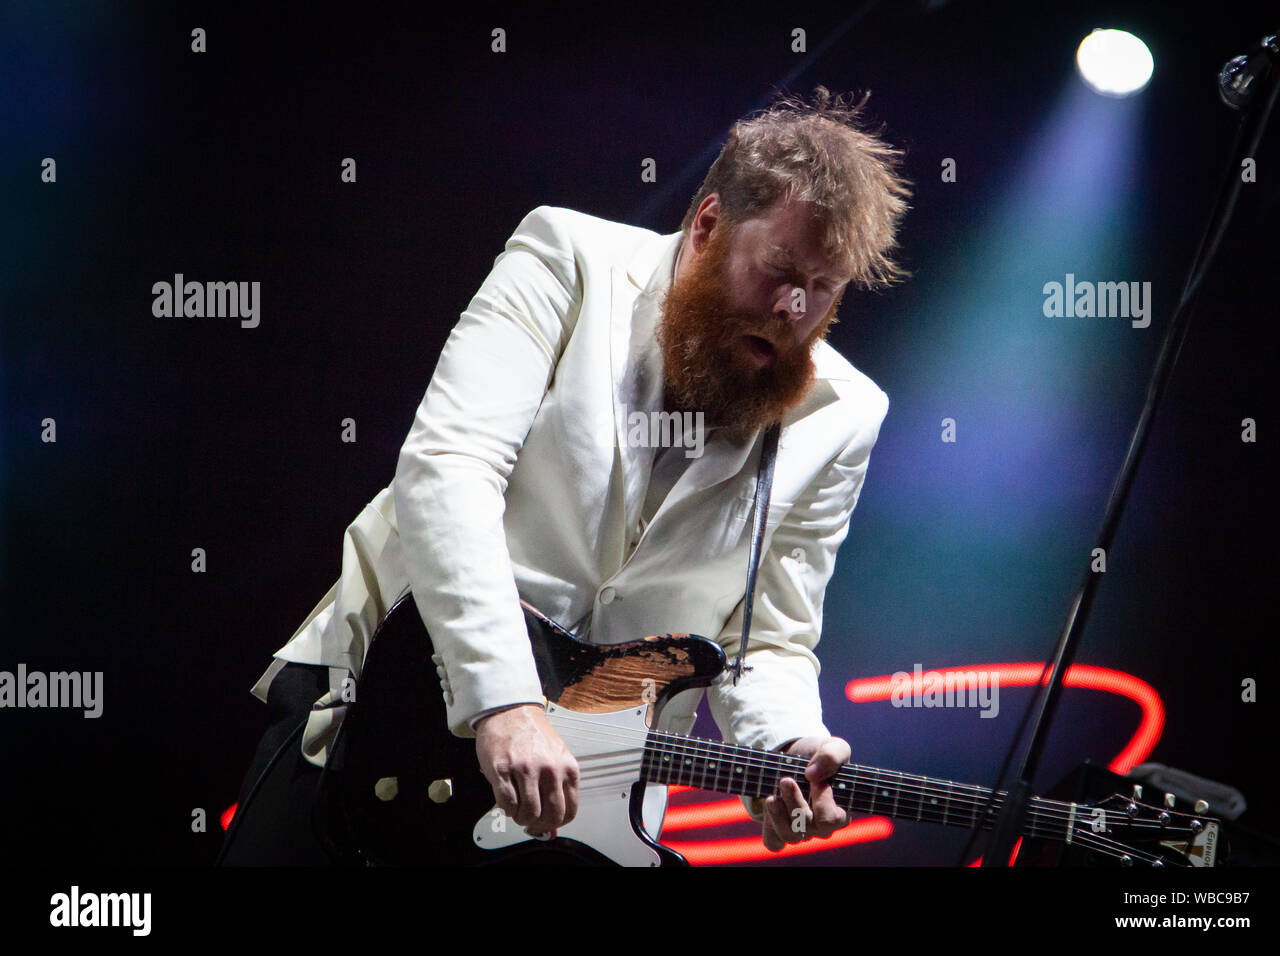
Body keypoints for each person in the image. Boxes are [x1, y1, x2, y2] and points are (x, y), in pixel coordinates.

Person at [218, 86, 910, 865]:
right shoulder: (567, 257)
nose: (795, 309)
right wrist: (504, 702)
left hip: (581, 810)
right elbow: (449, 469)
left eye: (824, 289)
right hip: (376, 715)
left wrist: (788, 748)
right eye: (780, 268)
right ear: (708, 225)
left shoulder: (845, 414)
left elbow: (769, 639)